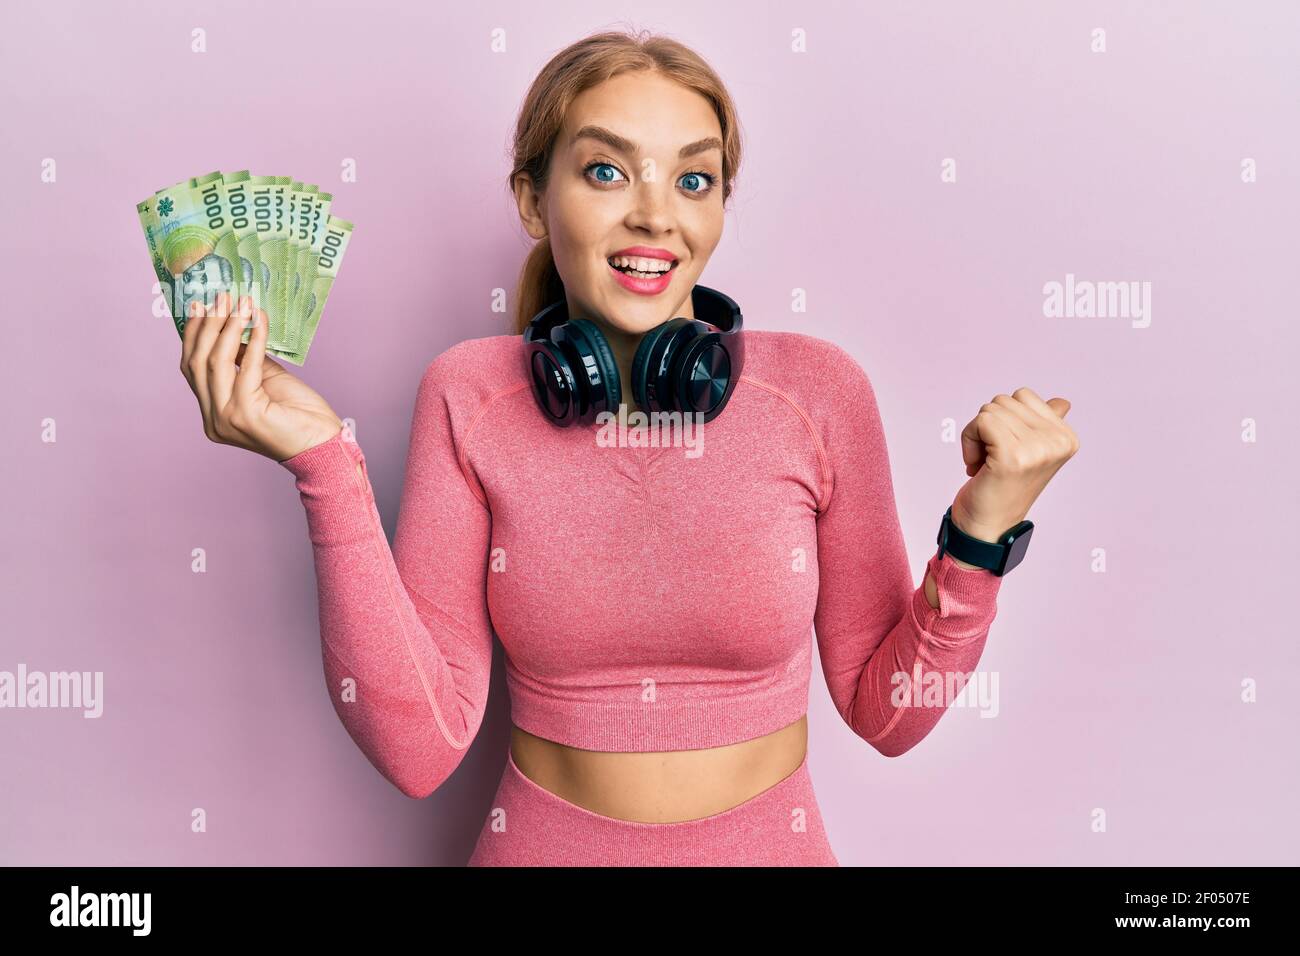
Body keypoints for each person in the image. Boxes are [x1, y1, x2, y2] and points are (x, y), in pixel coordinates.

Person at [177, 30, 1078, 866]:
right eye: (607, 171)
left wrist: (982, 533)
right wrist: (325, 466)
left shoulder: (818, 394)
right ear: (534, 199)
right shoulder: (467, 394)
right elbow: (418, 752)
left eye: (694, 180)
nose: (656, 215)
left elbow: (890, 717)